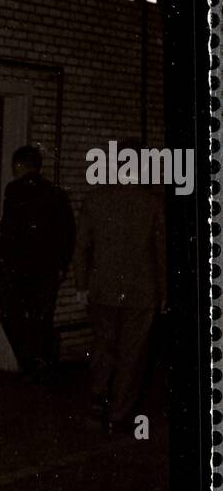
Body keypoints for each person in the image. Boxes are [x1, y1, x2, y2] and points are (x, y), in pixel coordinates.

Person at [72, 145, 166, 434]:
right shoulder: (154, 202)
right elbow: (162, 252)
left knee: (104, 347)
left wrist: (80, 285)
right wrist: (165, 293)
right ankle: (119, 415)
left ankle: (97, 401)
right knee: (133, 354)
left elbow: (82, 247)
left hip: (103, 290)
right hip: (142, 292)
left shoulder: (95, 198)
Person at [0, 145, 75, 381]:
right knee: (42, 319)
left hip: (18, 269)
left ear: (19, 165)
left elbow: (8, 232)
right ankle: (43, 365)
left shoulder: (14, 190)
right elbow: (68, 232)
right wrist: (62, 264)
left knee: (11, 316)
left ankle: (30, 365)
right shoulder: (57, 193)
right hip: (47, 270)